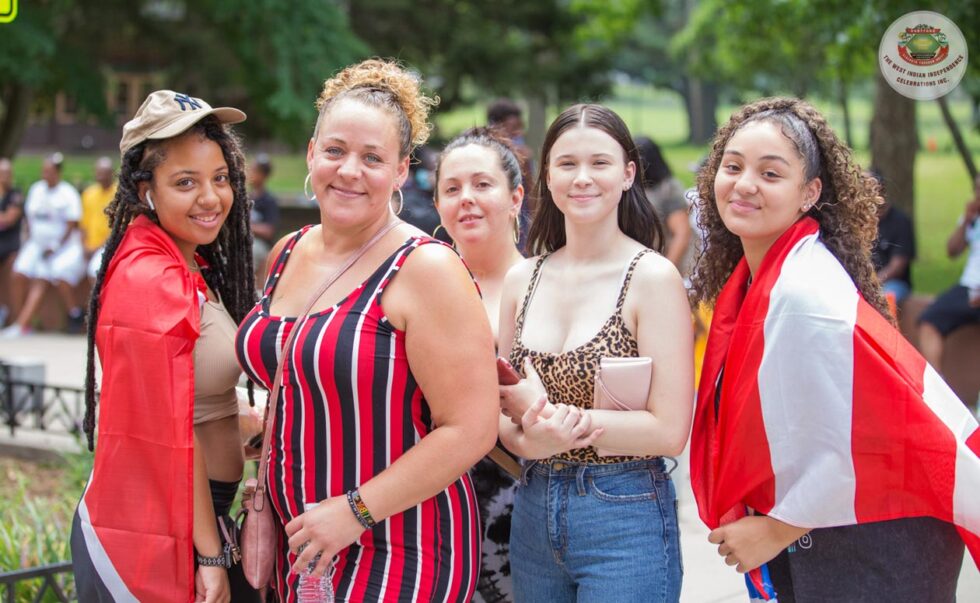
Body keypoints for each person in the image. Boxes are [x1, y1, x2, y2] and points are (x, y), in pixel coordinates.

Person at [688, 98, 976, 602]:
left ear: (809, 192)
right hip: (837, 532)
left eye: (770, 173)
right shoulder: (767, 277)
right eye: (732, 166)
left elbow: (849, 437)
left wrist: (778, 529)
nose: (745, 184)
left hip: (873, 543)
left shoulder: (803, 294)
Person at [234, 59, 498, 602]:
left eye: (372, 158)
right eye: (335, 151)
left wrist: (354, 511)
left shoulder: (426, 268)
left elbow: (471, 429)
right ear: (311, 154)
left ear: (401, 171)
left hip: (399, 547)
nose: (349, 170)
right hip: (302, 545)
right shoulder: (289, 252)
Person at [497, 104, 693, 602]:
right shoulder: (523, 278)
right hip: (533, 508)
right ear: (547, 175)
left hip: (623, 509)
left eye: (599, 163)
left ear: (628, 174)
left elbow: (670, 430)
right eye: (566, 164)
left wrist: (561, 426)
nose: (582, 178)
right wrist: (525, 445)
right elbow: (497, 405)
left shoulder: (651, 278)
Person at [70, 90, 257, 603]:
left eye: (220, 178)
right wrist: (209, 555)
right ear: (144, 189)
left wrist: (242, 418)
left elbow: (188, 394)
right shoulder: (149, 280)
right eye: (185, 183)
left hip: (194, 515)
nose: (212, 197)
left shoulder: (185, 263)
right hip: (156, 534)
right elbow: (171, 430)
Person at [434, 127, 526, 602]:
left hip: (521, 513)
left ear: (515, 197)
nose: (466, 199)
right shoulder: (419, 290)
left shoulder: (547, 285)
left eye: (482, 185)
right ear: (437, 207)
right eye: (452, 189)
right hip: (431, 508)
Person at [3, 154, 86, 337]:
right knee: (18, 273)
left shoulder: (67, 193)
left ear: (57, 173)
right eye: (44, 171)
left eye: (49, 172)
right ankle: (20, 321)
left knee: (41, 278)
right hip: (36, 243)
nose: (45, 175)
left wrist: (55, 246)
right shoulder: (36, 189)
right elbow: (31, 219)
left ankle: (21, 324)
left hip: (59, 247)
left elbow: (72, 223)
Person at [918, 173, 980, 373]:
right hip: (968, 287)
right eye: (976, 190)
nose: (978, 195)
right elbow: (952, 251)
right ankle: (939, 392)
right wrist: (966, 222)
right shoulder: (972, 218)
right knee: (928, 321)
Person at [635, 136, 694, 275]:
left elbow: (682, 233)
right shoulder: (629, 186)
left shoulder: (668, 188)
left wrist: (666, 269)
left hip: (660, 262)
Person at [868, 169, 915, 309]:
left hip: (892, 283)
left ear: (880, 192)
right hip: (864, 281)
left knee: (882, 301)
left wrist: (872, 283)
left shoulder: (900, 222)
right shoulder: (859, 221)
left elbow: (897, 266)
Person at [80, 156, 117, 283]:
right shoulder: (89, 193)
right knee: (61, 270)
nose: (100, 176)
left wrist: (95, 248)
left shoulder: (119, 194)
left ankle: (98, 303)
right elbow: (83, 224)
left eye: (104, 173)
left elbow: (119, 229)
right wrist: (84, 245)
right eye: (98, 173)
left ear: (112, 174)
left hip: (108, 246)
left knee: (94, 271)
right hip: (87, 246)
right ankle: (75, 304)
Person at [248, 152, 281, 284]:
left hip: (260, 244)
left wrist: (248, 226)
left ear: (264, 175)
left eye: (255, 171)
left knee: (251, 251)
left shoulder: (268, 200)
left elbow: (269, 230)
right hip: (245, 239)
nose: (251, 173)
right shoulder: (247, 197)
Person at [0, 158, 24, 327]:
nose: (4, 177)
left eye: (7, 173)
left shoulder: (15, 194)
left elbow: (8, 219)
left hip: (10, 245)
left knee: (10, 274)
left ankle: (11, 316)